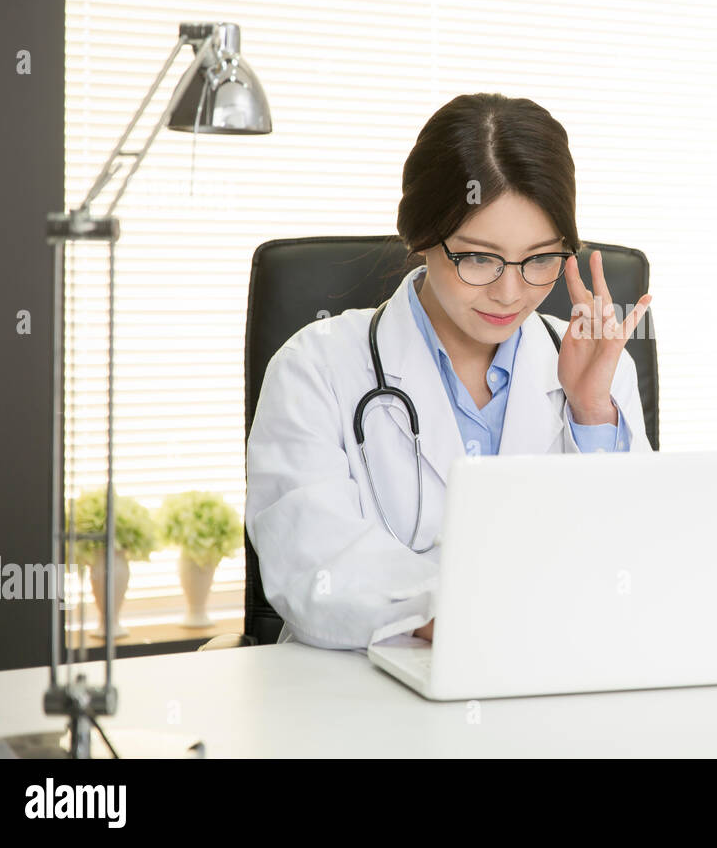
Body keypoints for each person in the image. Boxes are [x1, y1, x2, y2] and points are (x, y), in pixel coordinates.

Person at [244, 93, 654, 651]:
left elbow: (634, 567)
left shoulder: (597, 369)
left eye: (540, 259)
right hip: (358, 695)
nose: (511, 293)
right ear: (420, 236)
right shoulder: (314, 368)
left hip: (549, 681)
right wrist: (465, 614)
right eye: (479, 258)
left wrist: (589, 413)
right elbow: (312, 568)